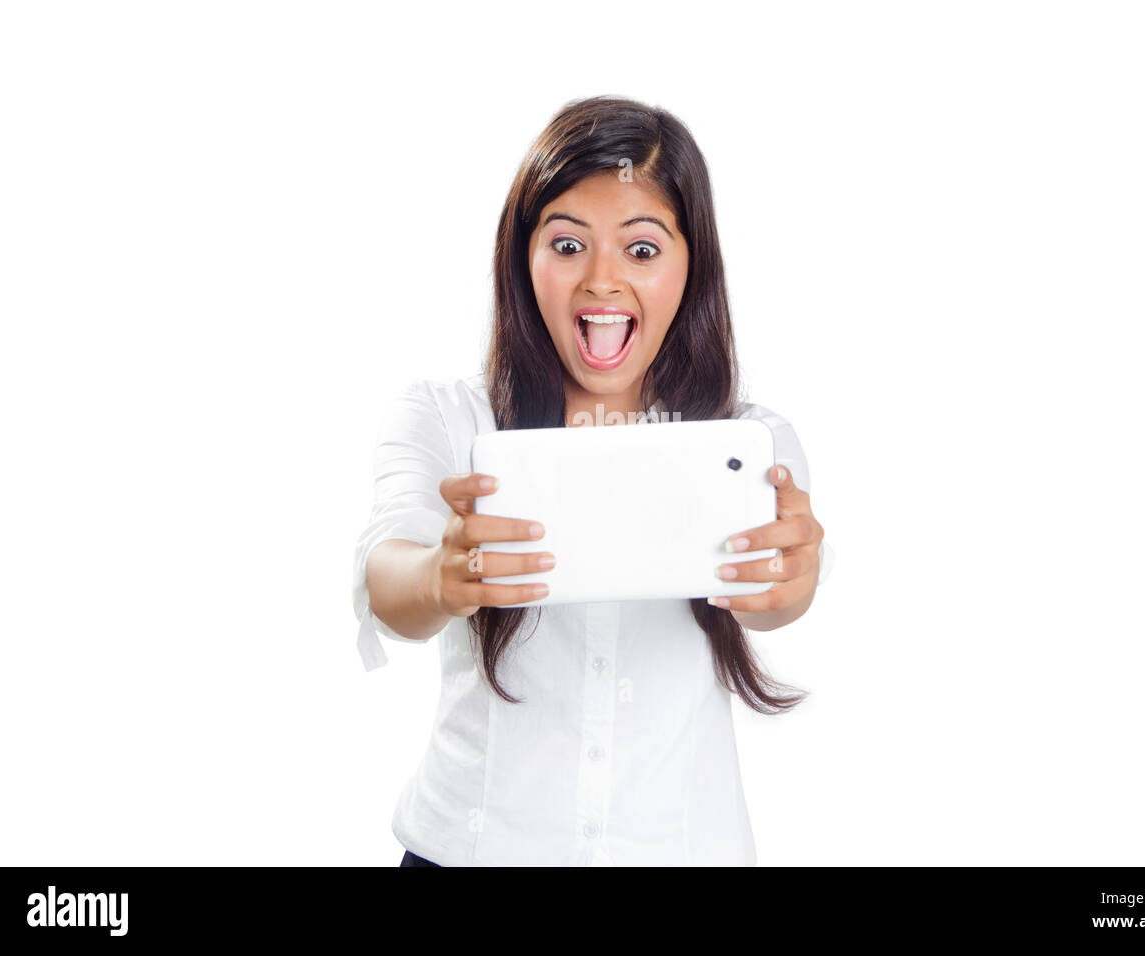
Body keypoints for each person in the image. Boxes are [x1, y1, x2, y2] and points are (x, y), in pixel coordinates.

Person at [352, 95, 834, 866]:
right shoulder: (447, 420)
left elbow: (782, 599)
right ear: (524, 257)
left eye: (641, 250)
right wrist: (442, 578)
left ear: (691, 265)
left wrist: (790, 577)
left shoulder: (750, 440)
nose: (602, 282)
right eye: (568, 244)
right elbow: (387, 579)